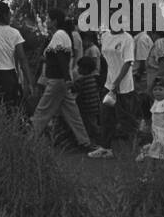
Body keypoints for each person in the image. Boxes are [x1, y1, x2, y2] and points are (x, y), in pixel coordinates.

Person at [31, 8, 102, 154]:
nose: (47, 21)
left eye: (49, 19)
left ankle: (30, 140)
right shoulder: (62, 35)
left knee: (42, 111)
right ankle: (85, 142)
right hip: (61, 81)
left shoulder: (59, 35)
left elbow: (61, 58)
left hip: (57, 81)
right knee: (73, 113)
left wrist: (67, 78)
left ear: (55, 21)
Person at [90, 21, 138, 158]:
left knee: (126, 118)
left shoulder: (127, 38)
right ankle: (106, 148)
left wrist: (117, 82)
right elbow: (106, 59)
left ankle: (131, 149)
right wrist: (108, 79)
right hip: (108, 84)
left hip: (124, 86)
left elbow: (128, 62)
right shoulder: (105, 36)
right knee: (106, 116)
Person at [73, 54, 104, 143]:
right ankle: (96, 138)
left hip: (87, 107)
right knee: (92, 123)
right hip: (95, 106)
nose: (78, 69)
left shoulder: (82, 81)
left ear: (85, 69)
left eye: (80, 67)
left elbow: (75, 88)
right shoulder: (93, 78)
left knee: (90, 125)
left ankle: (99, 139)